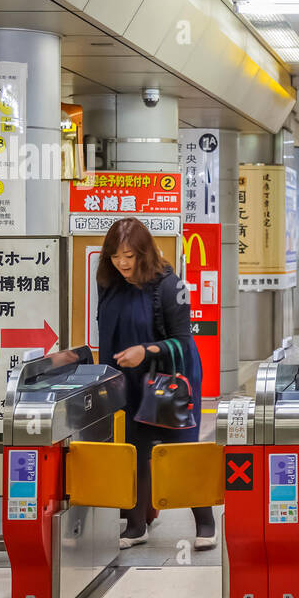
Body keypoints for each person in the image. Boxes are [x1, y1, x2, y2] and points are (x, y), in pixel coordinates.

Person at [96, 217, 215, 551]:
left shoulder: (169, 285)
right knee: (134, 451)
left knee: (180, 453)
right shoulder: (107, 282)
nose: (121, 263)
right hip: (127, 380)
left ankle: (205, 523)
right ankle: (136, 526)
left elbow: (182, 342)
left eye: (129, 256)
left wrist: (145, 352)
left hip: (170, 378)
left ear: (143, 253)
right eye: (115, 256)